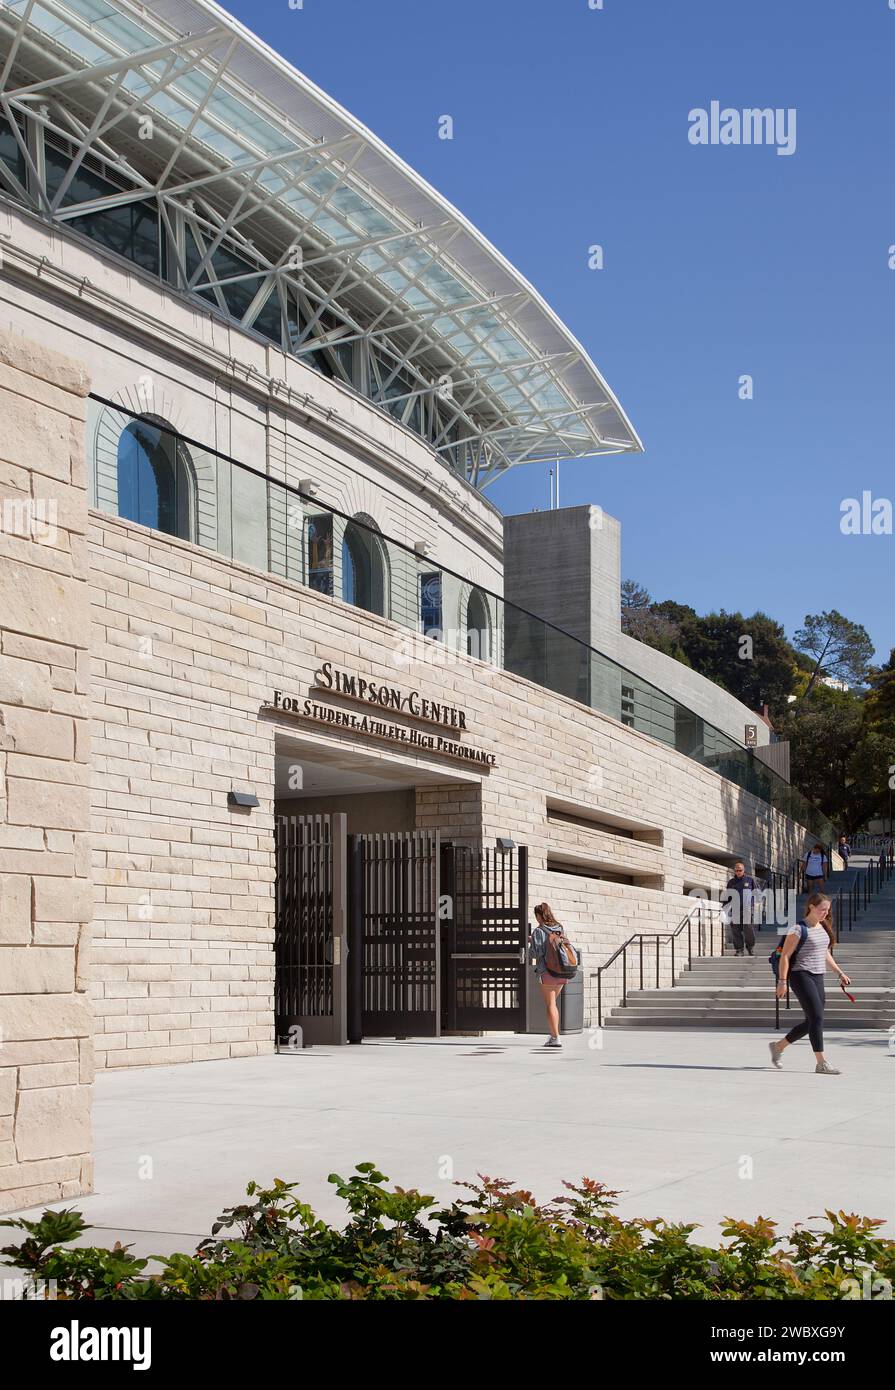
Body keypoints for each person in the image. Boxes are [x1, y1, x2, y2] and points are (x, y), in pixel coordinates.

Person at [768, 892, 850, 1074]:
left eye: (827, 910)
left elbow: (824, 953)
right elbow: (785, 957)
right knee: (817, 1018)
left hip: (818, 975)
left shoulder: (822, 927)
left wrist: (839, 972)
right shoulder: (797, 929)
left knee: (812, 1020)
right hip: (800, 974)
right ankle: (821, 1062)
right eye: (822, 909)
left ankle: (778, 1047)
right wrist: (782, 981)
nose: (825, 913)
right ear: (811, 907)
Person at [529, 902, 574, 1049]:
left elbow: (535, 953)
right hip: (562, 971)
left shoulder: (539, 931)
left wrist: (530, 942)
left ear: (539, 915)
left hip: (547, 971)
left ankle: (555, 1038)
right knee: (553, 1003)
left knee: (550, 1005)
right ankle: (553, 1035)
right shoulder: (559, 928)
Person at [723, 861, 759, 956]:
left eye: (740, 870)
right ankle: (739, 950)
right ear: (735, 871)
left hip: (747, 909)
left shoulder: (749, 880)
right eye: (737, 870)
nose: (738, 872)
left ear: (744, 870)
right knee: (736, 930)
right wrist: (725, 909)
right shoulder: (731, 882)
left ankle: (750, 947)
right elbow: (728, 897)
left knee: (748, 928)